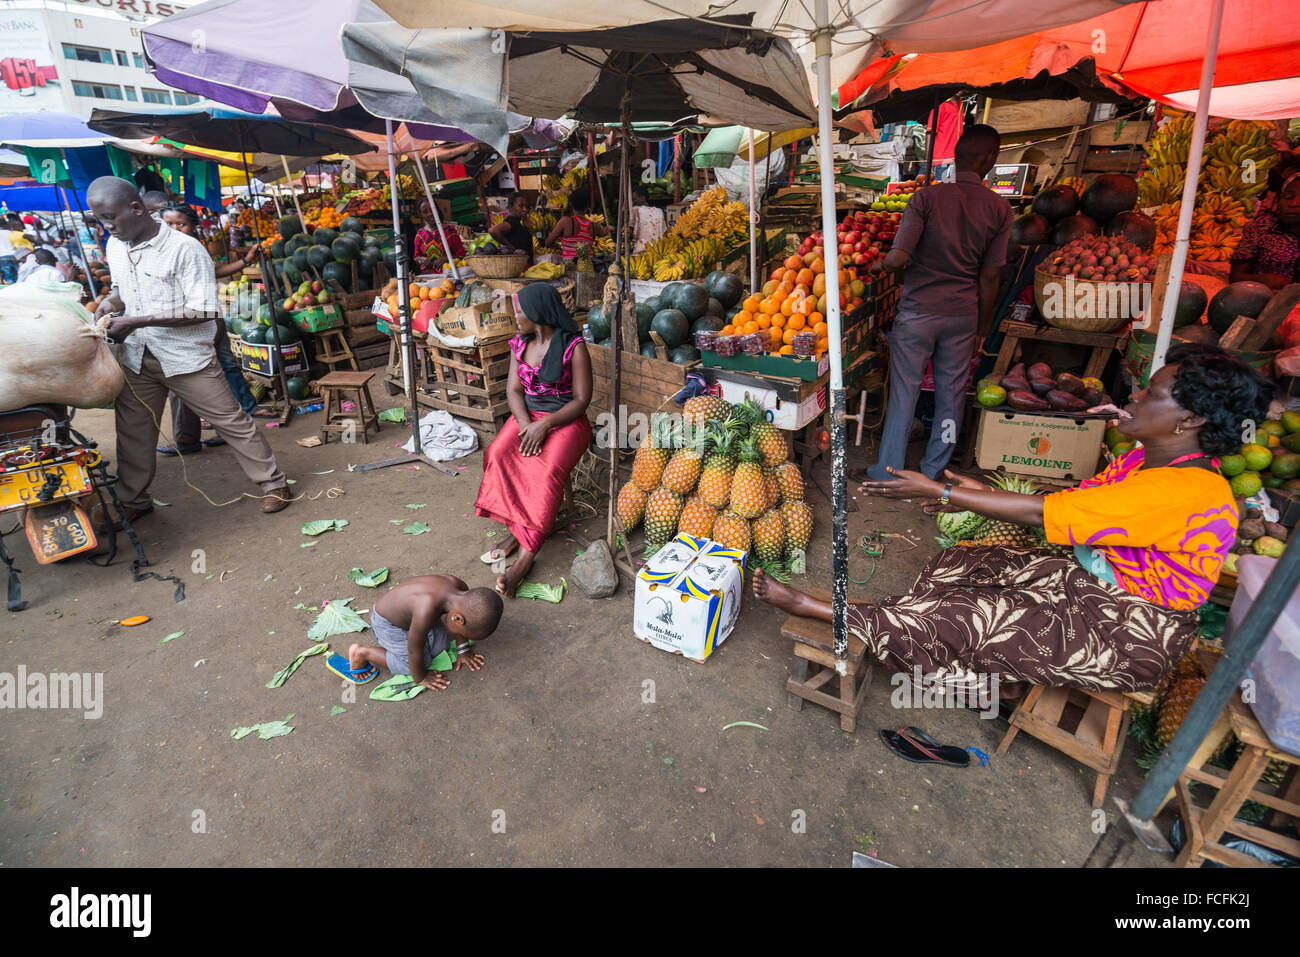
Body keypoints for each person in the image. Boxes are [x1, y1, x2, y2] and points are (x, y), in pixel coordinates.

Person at [755, 345, 1274, 695]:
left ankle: (821, 608)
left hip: (1129, 632)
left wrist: (943, 488)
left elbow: (1043, 512)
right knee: (962, 562)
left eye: (1153, 393)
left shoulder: (1187, 491)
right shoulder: (1147, 461)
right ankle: (937, 641)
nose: (1135, 395)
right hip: (1094, 587)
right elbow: (1075, 507)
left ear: (1192, 420)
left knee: (966, 616)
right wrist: (966, 490)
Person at [86, 176, 292, 525]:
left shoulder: (185, 249)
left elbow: (204, 310)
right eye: (100, 220)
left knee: (231, 420)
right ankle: (133, 499)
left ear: (136, 209)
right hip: (136, 355)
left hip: (186, 355)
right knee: (134, 431)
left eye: (110, 218)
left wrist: (136, 321)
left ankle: (274, 484)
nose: (106, 227)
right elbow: (122, 291)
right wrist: (109, 303)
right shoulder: (116, 246)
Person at [867, 124, 1013, 482]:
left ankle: (889, 473)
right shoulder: (1000, 208)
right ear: (991, 160)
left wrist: (880, 264)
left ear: (957, 155)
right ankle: (934, 472)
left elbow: (899, 258)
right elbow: (991, 277)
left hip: (918, 313)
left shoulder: (926, 199)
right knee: (951, 394)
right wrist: (982, 326)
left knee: (905, 391)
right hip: (963, 315)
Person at [475, 283, 593, 597]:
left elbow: (582, 400)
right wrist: (527, 426)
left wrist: (546, 426)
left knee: (545, 471)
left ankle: (526, 556)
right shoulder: (519, 344)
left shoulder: (573, 346)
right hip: (527, 418)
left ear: (538, 314)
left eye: (519, 310)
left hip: (566, 420)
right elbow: (514, 391)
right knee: (498, 453)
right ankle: (517, 530)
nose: (515, 315)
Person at [155, 201, 263, 456]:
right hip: (192, 321)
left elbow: (212, 272)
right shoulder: (166, 250)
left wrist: (246, 260)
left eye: (180, 224)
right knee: (211, 372)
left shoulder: (191, 249)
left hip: (203, 321)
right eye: (168, 224)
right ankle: (195, 437)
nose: (174, 229)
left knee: (214, 372)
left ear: (193, 226)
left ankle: (231, 424)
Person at [336, 575, 503, 690]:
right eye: (465, 635)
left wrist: (463, 649)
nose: (463, 638)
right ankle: (362, 653)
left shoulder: (461, 591)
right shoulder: (426, 610)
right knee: (414, 664)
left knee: (441, 645)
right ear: (458, 619)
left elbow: (459, 625)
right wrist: (421, 677)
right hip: (389, 624)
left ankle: (426, 649)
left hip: (415, 620)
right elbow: (413, 649)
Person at [1229, 171, 1300, 290]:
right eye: (1288, 197)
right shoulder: (1262, 227)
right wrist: (1264, 279)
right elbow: (1236, 277)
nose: (1294, 204)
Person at [546, 186, 609, 261]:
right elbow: (604, 232)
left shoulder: (565, 222)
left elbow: (548, 242)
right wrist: (610, 228)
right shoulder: (594, 226)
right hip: (589, 268)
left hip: (570, 268)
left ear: (571, 206)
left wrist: (559, 247)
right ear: (586, 207)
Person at [413, 199, 465, 270]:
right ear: (421, 215)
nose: (430, 214)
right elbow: (416, 258)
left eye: (432, 210)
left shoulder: (450, 231)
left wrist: (447, 259)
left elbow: (461, 255)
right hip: (427, 277)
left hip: (449, 274)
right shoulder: (420, 234)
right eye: (425, 212)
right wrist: (422, 260)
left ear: (437, 210)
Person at [488, 191, 535, 261]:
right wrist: (512, 248)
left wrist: (527, 228)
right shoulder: (512, 222)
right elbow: (493, 230)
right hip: (518, 266)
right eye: (520, 206)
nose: (525, 209)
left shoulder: (518, 222)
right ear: (510, 207)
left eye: (527, 206)